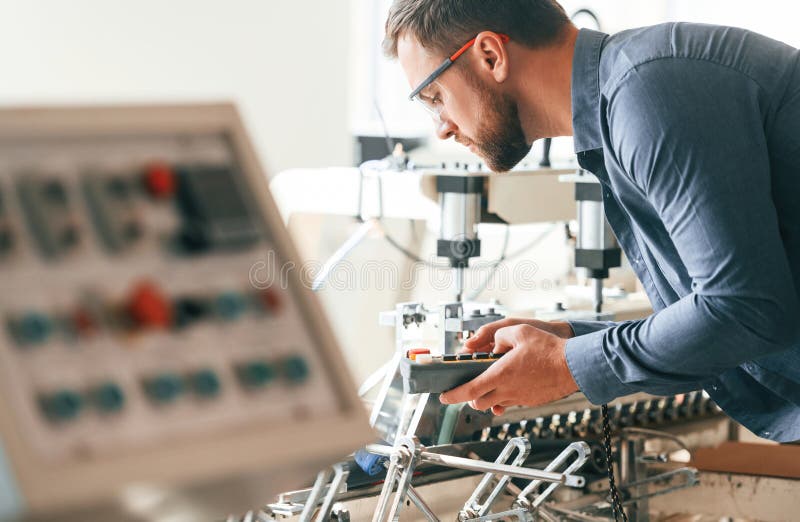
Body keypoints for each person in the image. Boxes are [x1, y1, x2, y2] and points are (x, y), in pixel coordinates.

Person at [383, 0, 800, 442]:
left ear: (491, 55)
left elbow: (743, 311)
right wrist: (568, 341)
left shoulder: (647, 94)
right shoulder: (628, 96)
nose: (441, 129)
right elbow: (719, 327)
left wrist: (568, 365)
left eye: (434, 97)